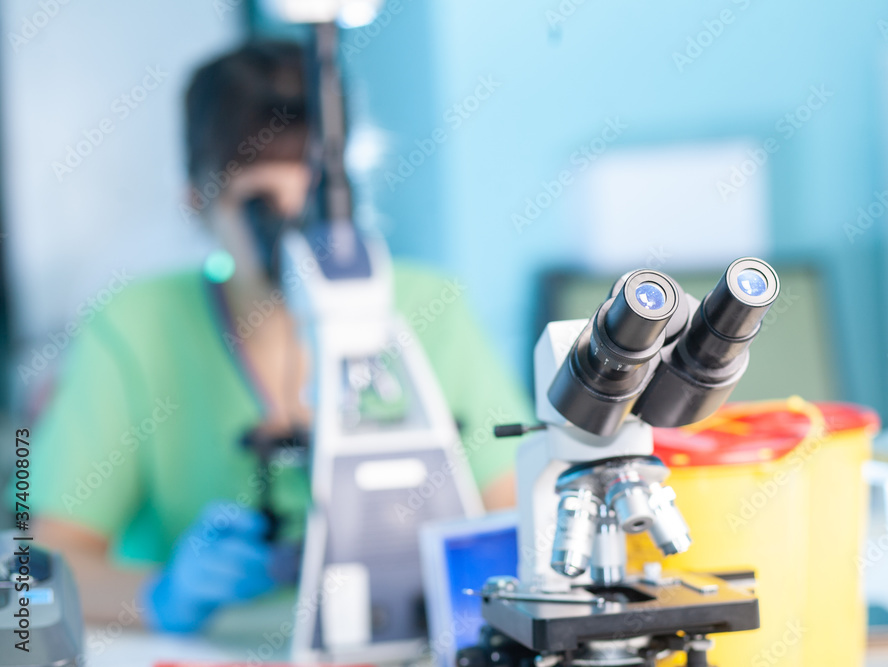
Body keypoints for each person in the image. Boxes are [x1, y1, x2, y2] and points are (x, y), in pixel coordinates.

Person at [26, 40, 530, 633]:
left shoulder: (427, 307)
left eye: (313, 203)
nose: (298, 241)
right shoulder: (136, 328)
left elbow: (522, 527)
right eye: (261, 207)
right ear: (197, 203)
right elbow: (36, 572)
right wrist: (162, 598)